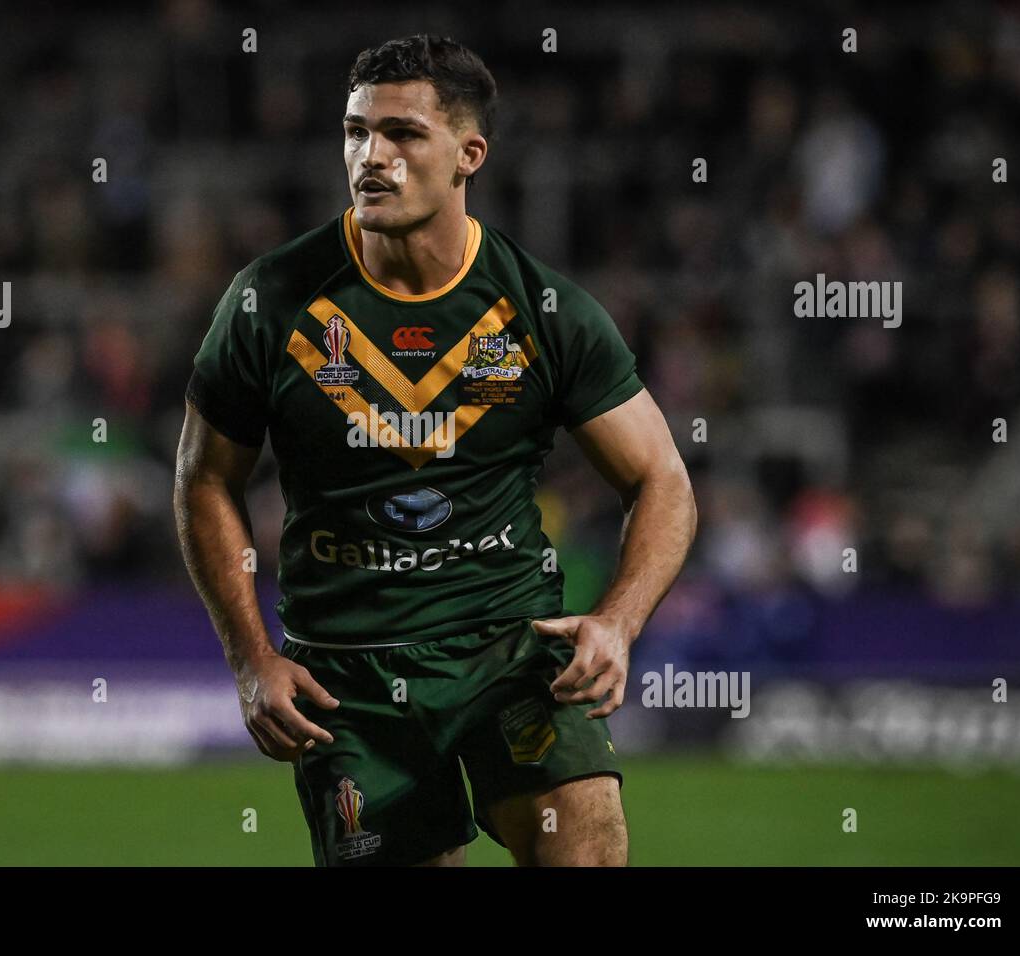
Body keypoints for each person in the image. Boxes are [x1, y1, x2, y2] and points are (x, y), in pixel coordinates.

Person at [174, 34, 696, 866]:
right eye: (355, 132)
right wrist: (249, 658)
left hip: (510, 651)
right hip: (346, 678)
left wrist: (619, 622)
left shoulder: (545, 309)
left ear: (468, 154)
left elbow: (661, 477)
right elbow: (205, 480)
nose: (370, 157)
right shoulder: (267, 302)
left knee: (587, 852)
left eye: (404, 134)